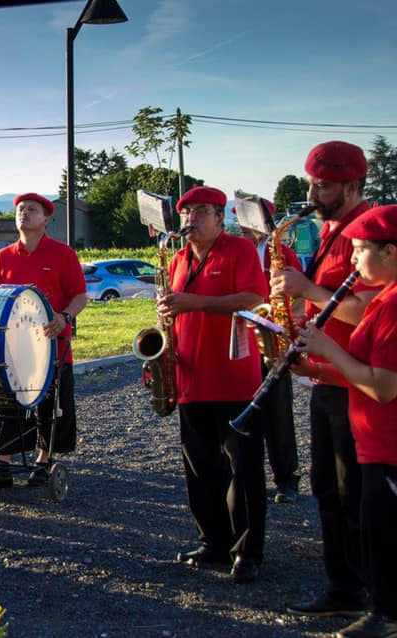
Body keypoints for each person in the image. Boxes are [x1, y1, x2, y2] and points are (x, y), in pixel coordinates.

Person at [275, 141, 379, 616]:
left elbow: (376, 314)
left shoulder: (370, 234)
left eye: (323, 185)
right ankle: (343, 588)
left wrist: (308, 289)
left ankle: (372, 596)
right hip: (326, 377)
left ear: (352, 185)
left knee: (356, 496)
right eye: (311, 182)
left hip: (359, 383)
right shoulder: (331, 229)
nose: (312, 192)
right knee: (328, 489)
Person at [294, 204, 397, 638]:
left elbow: (383, 387)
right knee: (373, 524)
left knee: (385, 533)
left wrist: (327, 348)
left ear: (390, 251)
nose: (352, 262)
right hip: (374, 439)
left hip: (389, 444)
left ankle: (387, 615)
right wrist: (316, 369)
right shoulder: (384, 301)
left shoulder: (391, 306)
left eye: (359, 251)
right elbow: (364, 371)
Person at [159, 186, 269, 584]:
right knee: (200, 467)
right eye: (186, 212)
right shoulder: (178, 259)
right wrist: (163, 357)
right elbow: (175, 313)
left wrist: (195, 303)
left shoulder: (238, 250)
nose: (190, 219)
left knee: (244, 470)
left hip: (235, 378)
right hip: (191, 377)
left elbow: (255, 298)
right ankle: (214, 542)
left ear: (220, 217)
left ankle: (247, 552)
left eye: (201, 212)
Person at [0, 192, 87, 487]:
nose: (24, 213)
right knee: (9, 404)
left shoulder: (63, 254)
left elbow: (80, 295)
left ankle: (43, 460)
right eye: (20, 209)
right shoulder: (3, 256)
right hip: (12, 348)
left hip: (53, 345)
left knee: (51, 406)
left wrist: (64, 316)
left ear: (46, 218)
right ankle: (4, 463)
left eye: (32, 209)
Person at [237, 198, 303, 504]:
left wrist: (291, 332)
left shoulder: (281, 251)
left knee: (277, 412)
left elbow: (298, 296)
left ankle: (286, 479)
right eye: (239, 217)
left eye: (247, 218)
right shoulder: (236, 249)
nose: (242, 225)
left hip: (272, 339)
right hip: (242, 340)